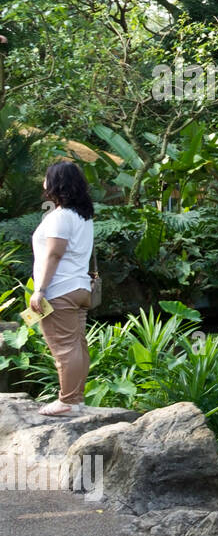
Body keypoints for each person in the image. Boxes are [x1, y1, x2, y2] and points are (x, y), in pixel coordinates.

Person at [29, 162, 96, 417]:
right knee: (77, 345)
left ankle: (67, 401)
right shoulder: (83, 216)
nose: (43, 181)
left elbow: (54, 254)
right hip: (79, 289)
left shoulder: (59, 217)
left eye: (47, 177)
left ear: (55, 183)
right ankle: (76, 400)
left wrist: (40, 290)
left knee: (65, 348)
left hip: (60, 291)